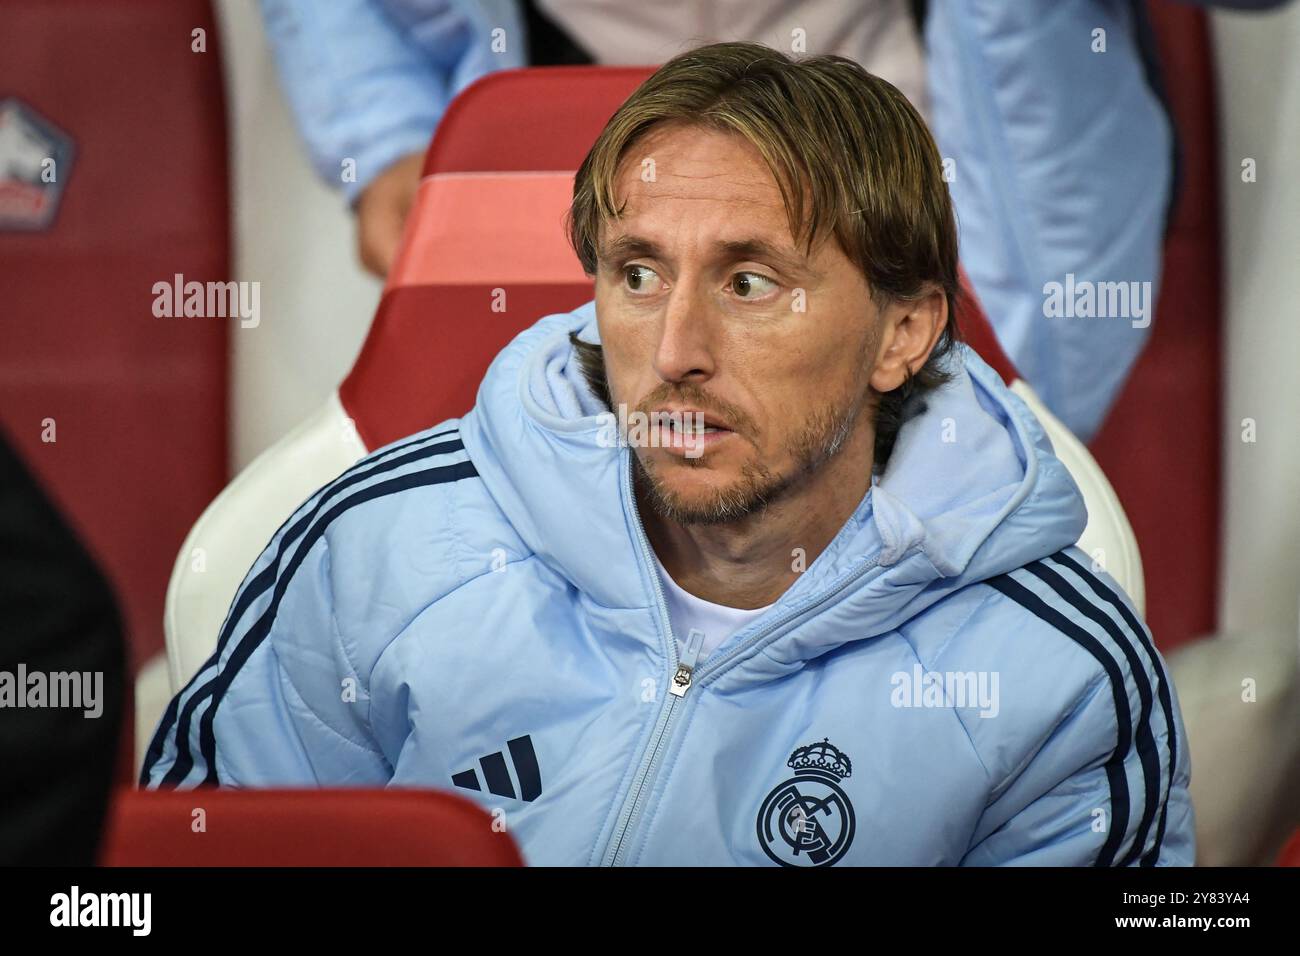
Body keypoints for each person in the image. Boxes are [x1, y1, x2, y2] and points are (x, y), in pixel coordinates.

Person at [143, 43, 1193, 867]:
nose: (675, 354)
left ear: (902, 334)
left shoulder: (1057, 670)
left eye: (750, 283)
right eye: (637, 275)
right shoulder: (374, 542)